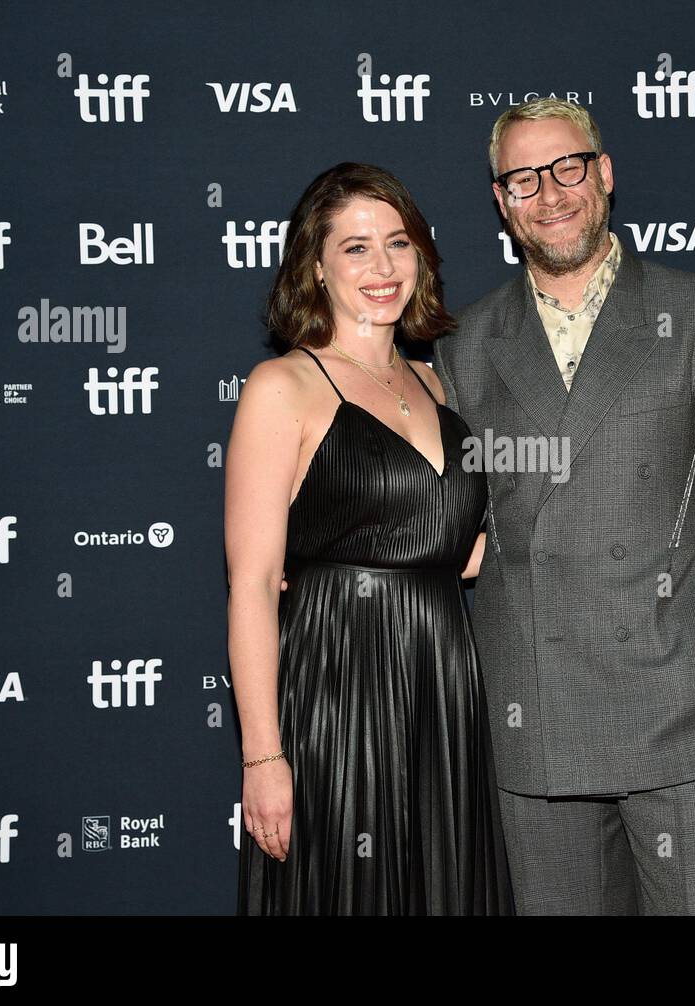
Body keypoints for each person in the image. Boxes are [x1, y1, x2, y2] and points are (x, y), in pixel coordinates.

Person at [430, 99, 695, 915]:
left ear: (605, 173)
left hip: (677, 704)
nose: (549, 193)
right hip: (536, 706)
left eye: (567, 168)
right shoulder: (465, 344)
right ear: (501, 199)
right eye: (524, 178)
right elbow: (456, 517)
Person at [226, 162, 512, 914]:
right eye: (355, 248)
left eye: (398, 243)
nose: (382, 267)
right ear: (315, 266)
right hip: (336, 684)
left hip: (442, 683)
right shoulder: (283, 387)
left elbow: (464, 548)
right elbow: (254, 582)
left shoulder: (442, 386)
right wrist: (263, 755)